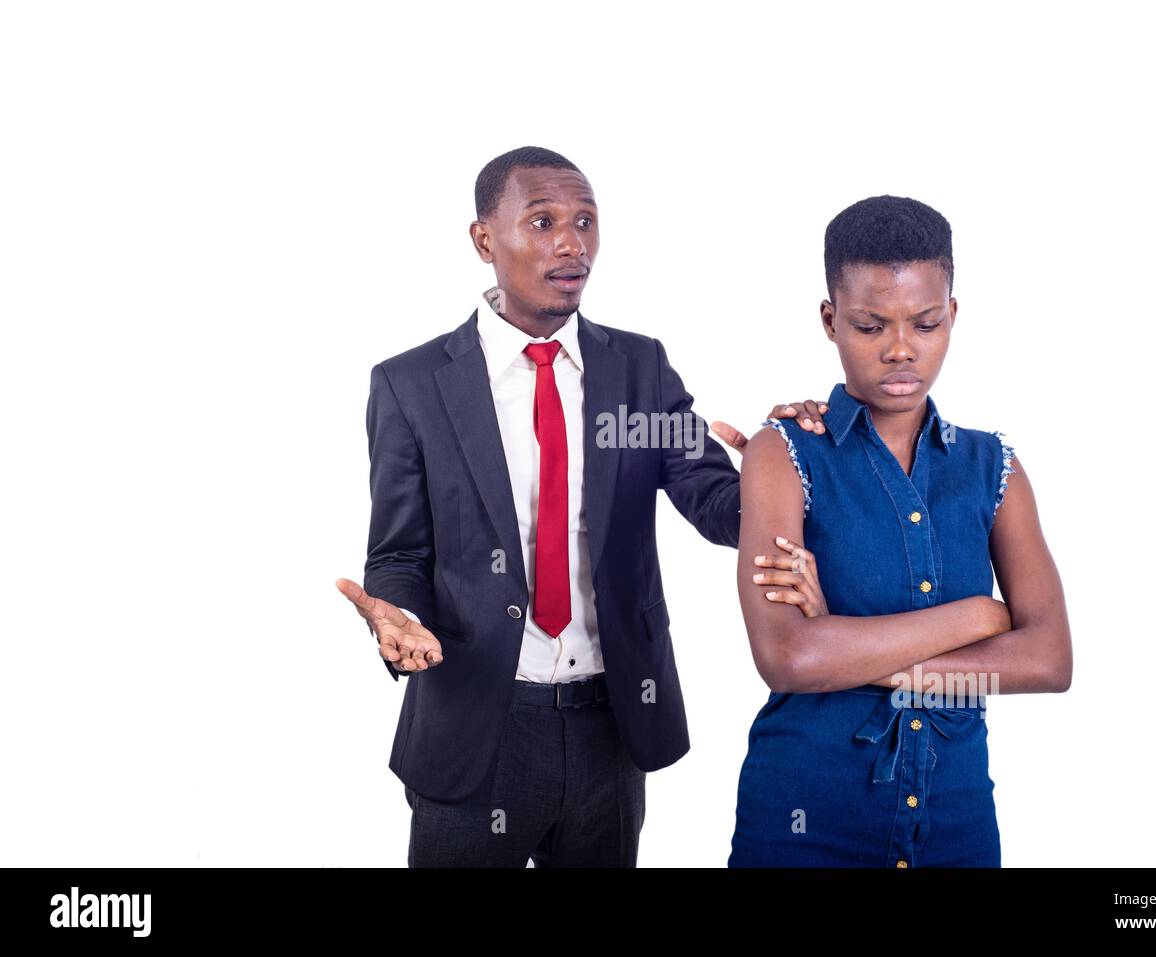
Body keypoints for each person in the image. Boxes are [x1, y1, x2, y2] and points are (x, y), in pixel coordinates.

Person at [333, 146, 828, 867]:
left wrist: (776, 467)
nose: (573, 244)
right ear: (483, 240)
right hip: (474, 729)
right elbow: (400, 551)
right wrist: (398, 617)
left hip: (610, 726)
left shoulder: (639, 367)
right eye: (543, 221)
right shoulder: (411, 385)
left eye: (586, 222)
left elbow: (715, 502)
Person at [729, 195, 1072, 867]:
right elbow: (791, 658)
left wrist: (850, 652)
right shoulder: (784, 452)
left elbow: (1048, 659)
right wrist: (980, 614)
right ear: (830, 320)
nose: (900, 348)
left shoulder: (991, 466)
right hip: (806, 818)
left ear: (953, 315)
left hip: (956, 819)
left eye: (925, 322)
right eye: (869, 324)